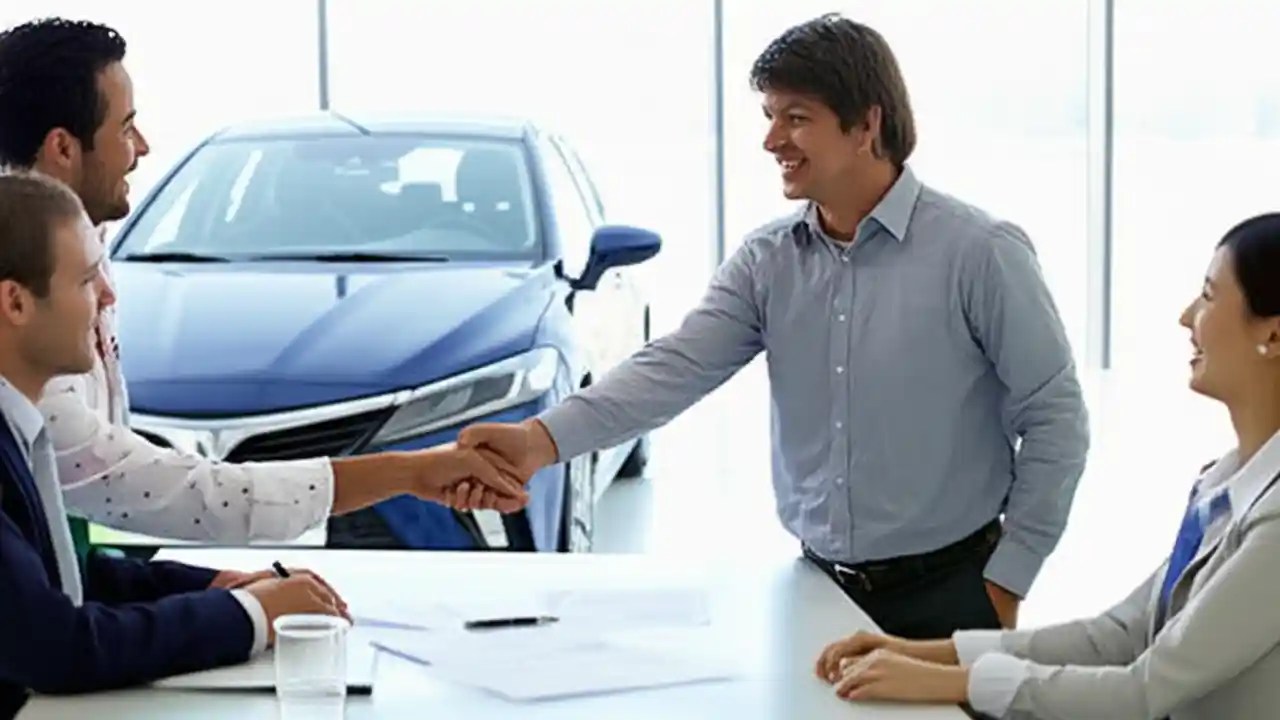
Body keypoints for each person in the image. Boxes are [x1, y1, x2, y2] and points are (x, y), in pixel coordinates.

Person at [458, 13, 1088, 638]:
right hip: (816, 590)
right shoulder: (768, 261)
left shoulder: (980, 251)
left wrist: (1008, 580)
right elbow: (672, 369)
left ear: (867, 124)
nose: (772, 141)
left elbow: (1056, 416)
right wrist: (540, 440)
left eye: (796, 117)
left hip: (951, 594)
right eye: (769, 117)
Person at [0, 17, 524, 563]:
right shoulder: (30, 290)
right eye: (126, 128)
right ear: (63, 147)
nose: (143, 146)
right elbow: (137, 482)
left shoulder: (79, 241)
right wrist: (407, 471)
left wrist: (214, 590)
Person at [815, 213, 1280, 719]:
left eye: (1209, 295)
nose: (1187, 316)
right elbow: (1120, 635)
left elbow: (1145, 689)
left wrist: (951, 682)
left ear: (1274, 338)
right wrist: (915, 651)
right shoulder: (1227, 482)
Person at [0, 170, 357, 716]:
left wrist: (221, 586)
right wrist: (250, 616)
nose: (109, 295)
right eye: (87, 280)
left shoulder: (16, 425)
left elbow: (58, 578)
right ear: (16, 304)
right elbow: (57, 644)